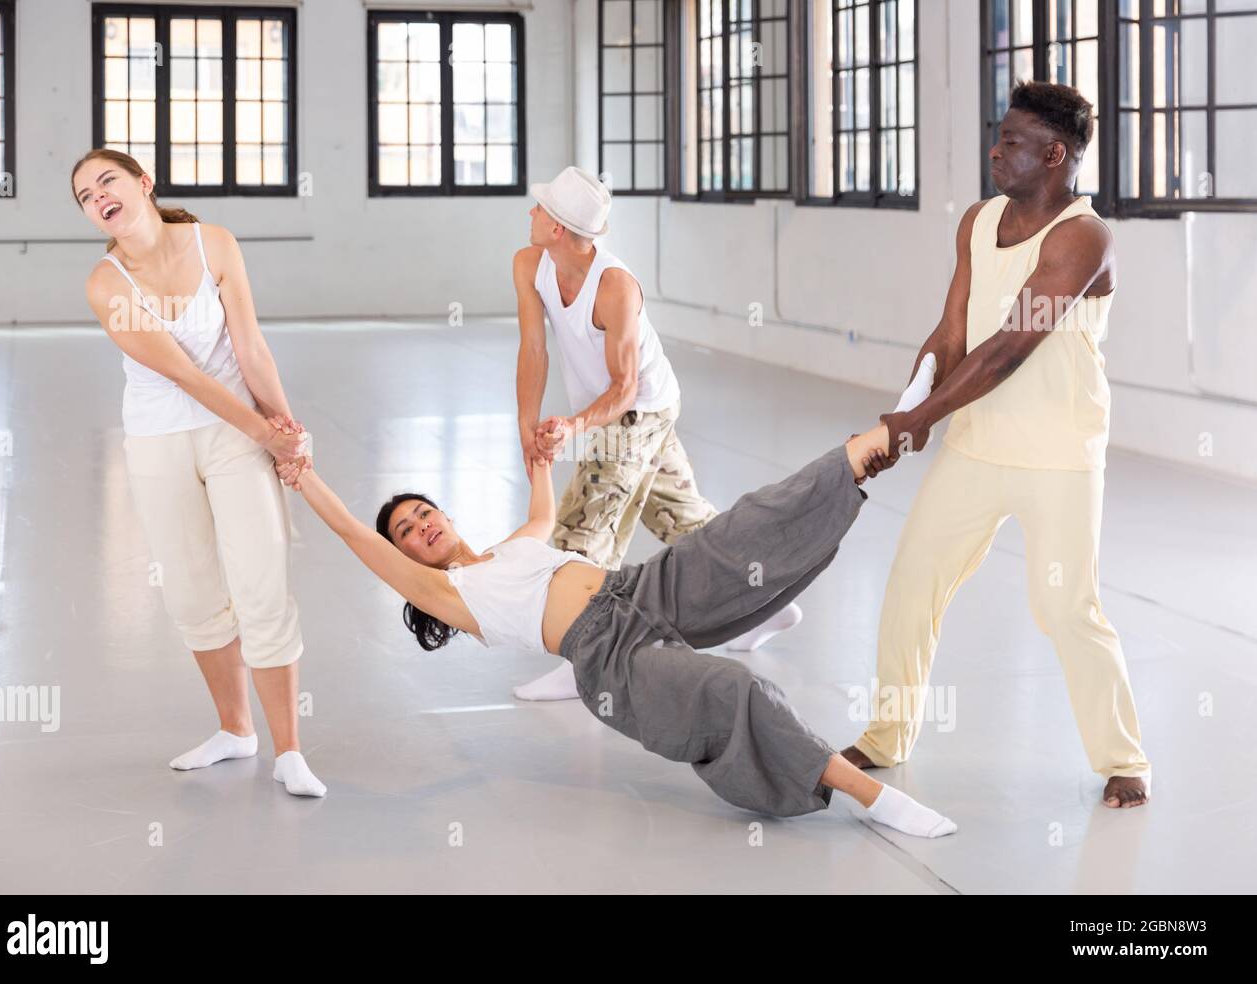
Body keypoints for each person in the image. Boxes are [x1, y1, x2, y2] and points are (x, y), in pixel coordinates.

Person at [272, 420, 956, 837]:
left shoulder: (508, 550)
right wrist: (305, 478)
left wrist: (541, 458)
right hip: (609, 656)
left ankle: (868, 448)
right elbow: (354, 534)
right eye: (406, 531)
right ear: (406, 557)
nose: (421, 526)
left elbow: (542, 515)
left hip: (636, 588)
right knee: (732, 690)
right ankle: (872, 797)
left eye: (424, 512)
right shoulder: (447, 593)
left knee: (740, 527)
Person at [844, 81, 1151, 808]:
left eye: (1012, 140)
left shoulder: (1083, 238)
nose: (995, 149)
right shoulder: (979, 222)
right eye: (998, 135)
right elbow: (953, 332)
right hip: (977, 445)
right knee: (913, 583)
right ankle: (886, 736)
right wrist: (905, 411)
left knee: (1066, 608)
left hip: (1059, 455)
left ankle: (1124, 758)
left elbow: (1010, 346)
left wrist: (919, 422)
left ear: (1055, 155)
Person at [71, 149, 325, 797]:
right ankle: (236, 731)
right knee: (191, 593)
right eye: (85, 196)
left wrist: (288, 432)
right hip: (159, 443)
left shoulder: (215, 244)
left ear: (144, 183)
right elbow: (182, 373)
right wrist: (265, 433)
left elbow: (250, 347)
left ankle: (289, 752)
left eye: (107, 181)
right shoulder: (105, 284)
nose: (98, 196)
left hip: (236, 435)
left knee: (263, 587)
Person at [511, 165, 801, 702]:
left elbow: (624, 389)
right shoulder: (530, 264)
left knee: (583, 526)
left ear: (557, 227)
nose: (530, 212)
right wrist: (526, 426)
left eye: (539, 207)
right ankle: (767, 604)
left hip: (641, 408)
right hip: (626, 407)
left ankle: (584, 661)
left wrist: (573, 426)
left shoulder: (616, 288)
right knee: (680, 519)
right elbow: (533, 349)